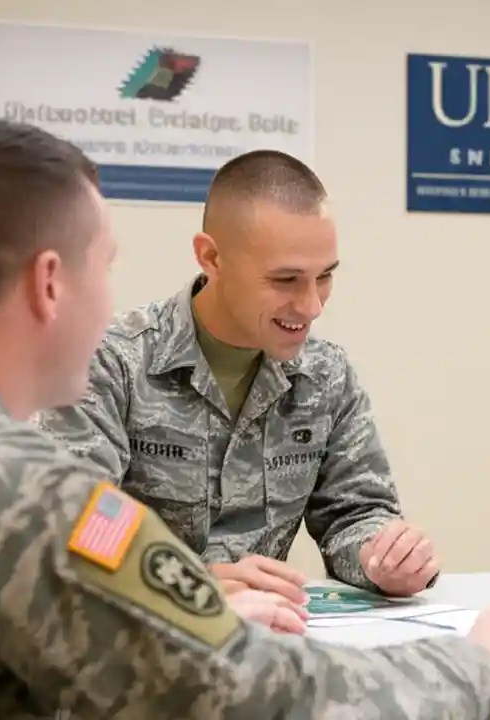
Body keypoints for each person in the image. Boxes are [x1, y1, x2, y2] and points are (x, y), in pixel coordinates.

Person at [0, 117, 490, 717]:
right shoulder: (13, 491)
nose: (111, 300)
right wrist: (486, 668)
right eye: (102, 267)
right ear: (49, 283)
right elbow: (248, 696)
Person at [35, 150, 436, 609]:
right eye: (285, 280)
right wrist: (184, 583)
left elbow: (356, 512)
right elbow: (74, 522)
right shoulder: (109, 362)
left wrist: (381, 557)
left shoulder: (325, 375)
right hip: (139, 647)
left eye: (324, 277)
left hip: (270, 645)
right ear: (211, 257)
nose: (312, 306)